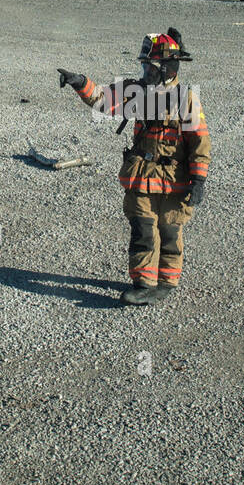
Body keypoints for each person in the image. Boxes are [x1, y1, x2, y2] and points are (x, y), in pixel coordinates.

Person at [58, 28, 211, 305]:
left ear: (166, 68)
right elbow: (103, 99)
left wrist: (198, 180)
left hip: (174, 182)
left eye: (150, 67)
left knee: (170, 231)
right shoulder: (137, 91)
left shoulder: (186, 98)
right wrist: (80, 82)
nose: (145, 72)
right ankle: (143, 284)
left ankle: (166, 283)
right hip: (142, 177)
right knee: (143, 230)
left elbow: (199, 141)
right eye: (144, 66)